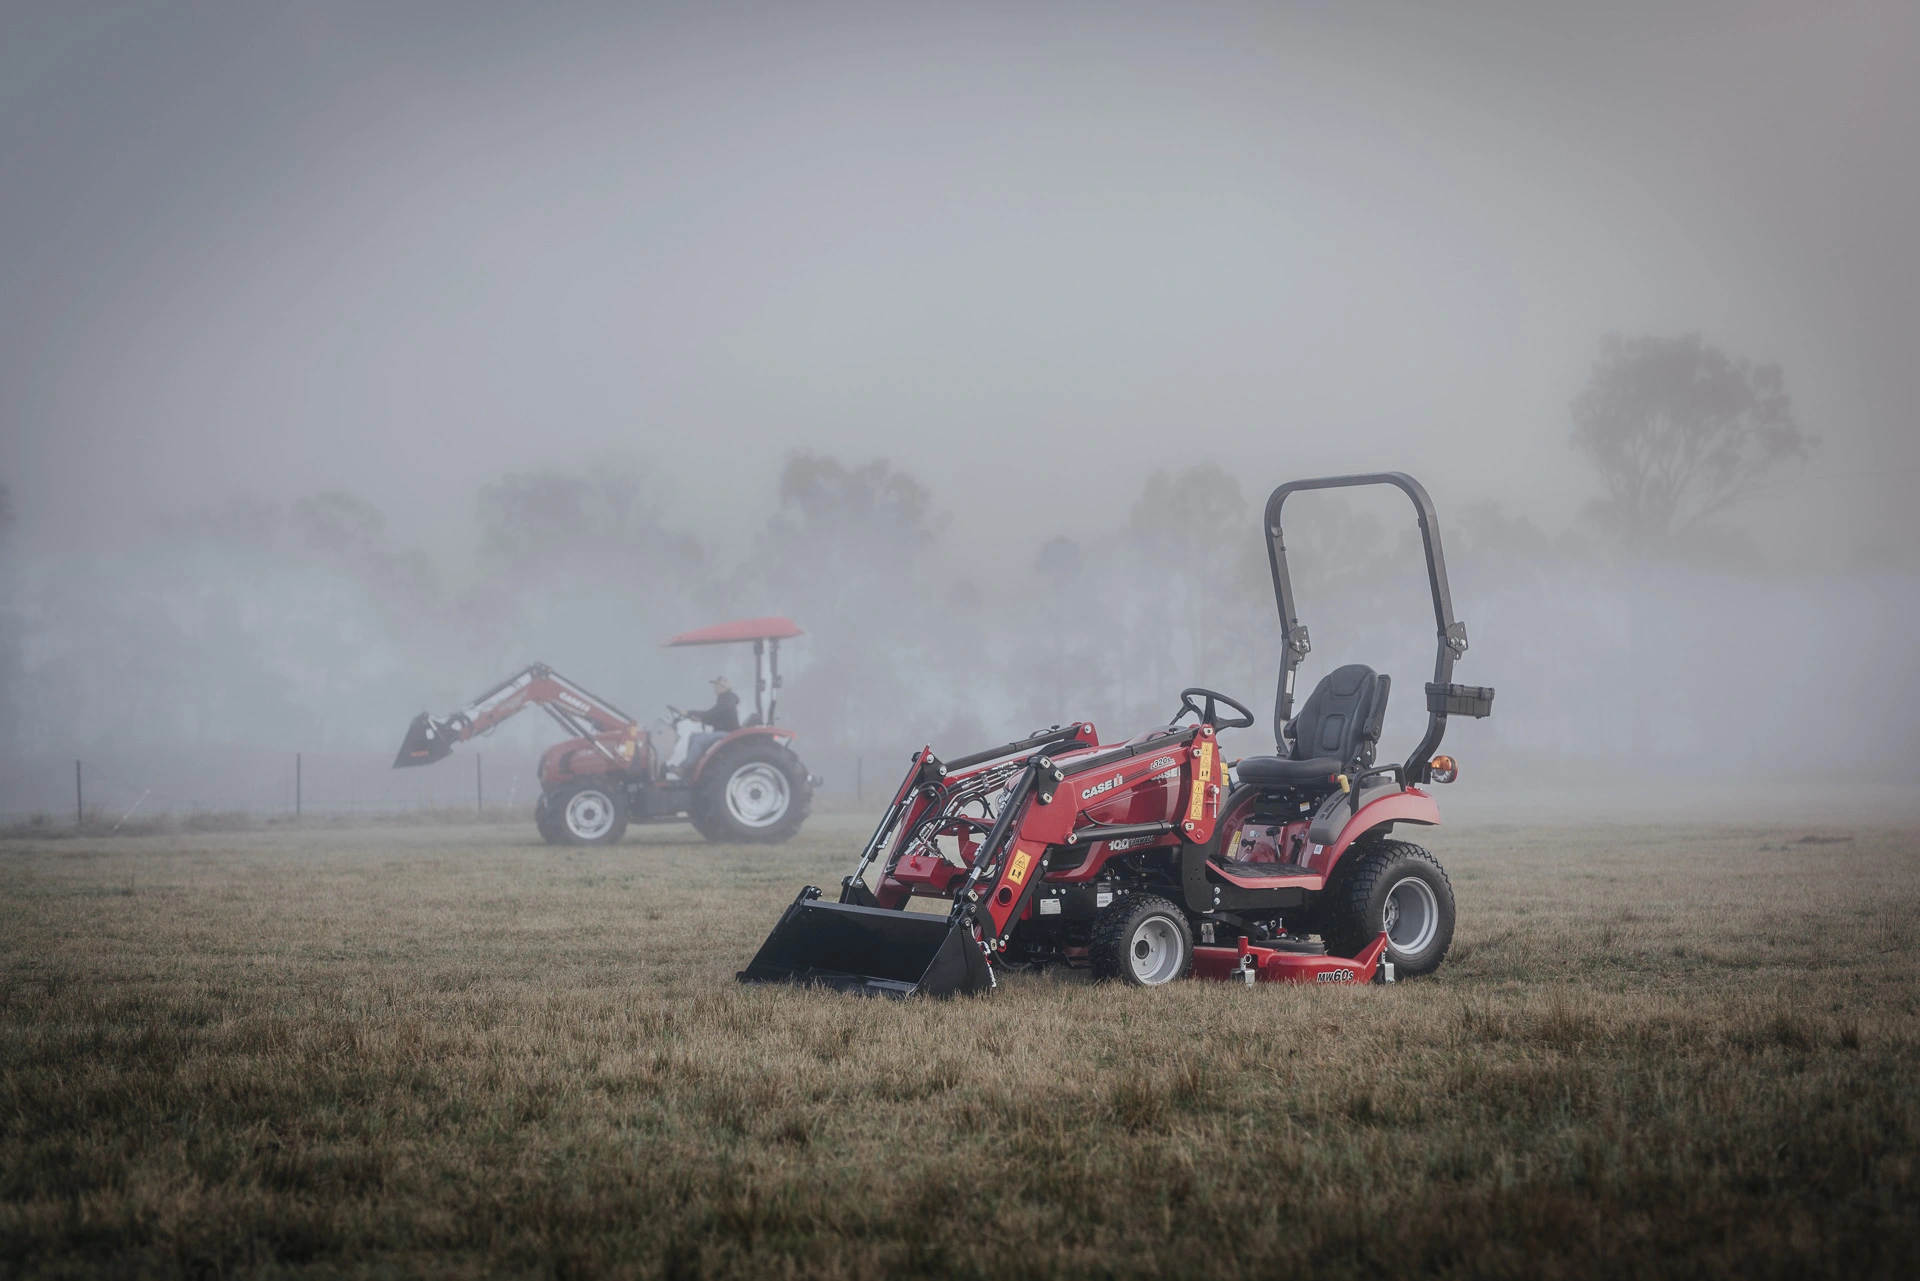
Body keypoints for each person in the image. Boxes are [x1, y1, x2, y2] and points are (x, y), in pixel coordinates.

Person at [664, 677, 740, 775]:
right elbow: (716, 718)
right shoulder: (725, 700)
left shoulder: (726, 701)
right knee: (694, 736)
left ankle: (685, 768)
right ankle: (690, 770)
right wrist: (699, 718)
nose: (715, 688)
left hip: (727, 734)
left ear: (723, 687)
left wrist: (689, 712)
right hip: (724, 732)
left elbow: (710, 714)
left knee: (698, 740)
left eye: (717, 685)